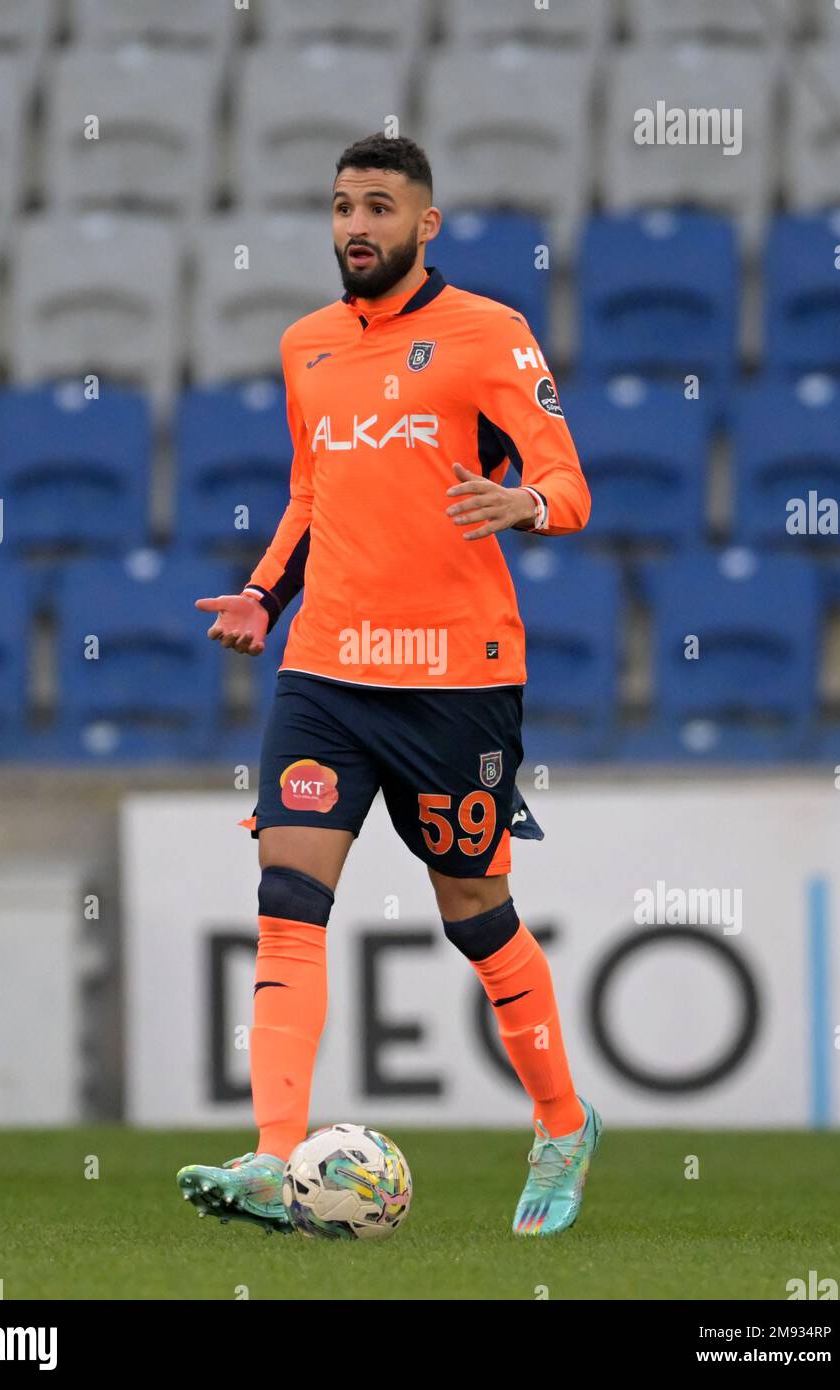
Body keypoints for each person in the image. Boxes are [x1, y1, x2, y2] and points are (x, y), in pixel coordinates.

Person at [177, 133, 601, 1237]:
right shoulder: (306, 346)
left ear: (427, 224)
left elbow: (569, 479)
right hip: (325, 672)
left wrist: (528, 505)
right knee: (287, 903)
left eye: (377, 205)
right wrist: (264, 600)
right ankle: (275, 1159)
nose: (355, 225)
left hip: (458, 677)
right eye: (339, 206)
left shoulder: (490, 335)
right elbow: (312, 495)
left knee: (477, 915)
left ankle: (561, 1121)